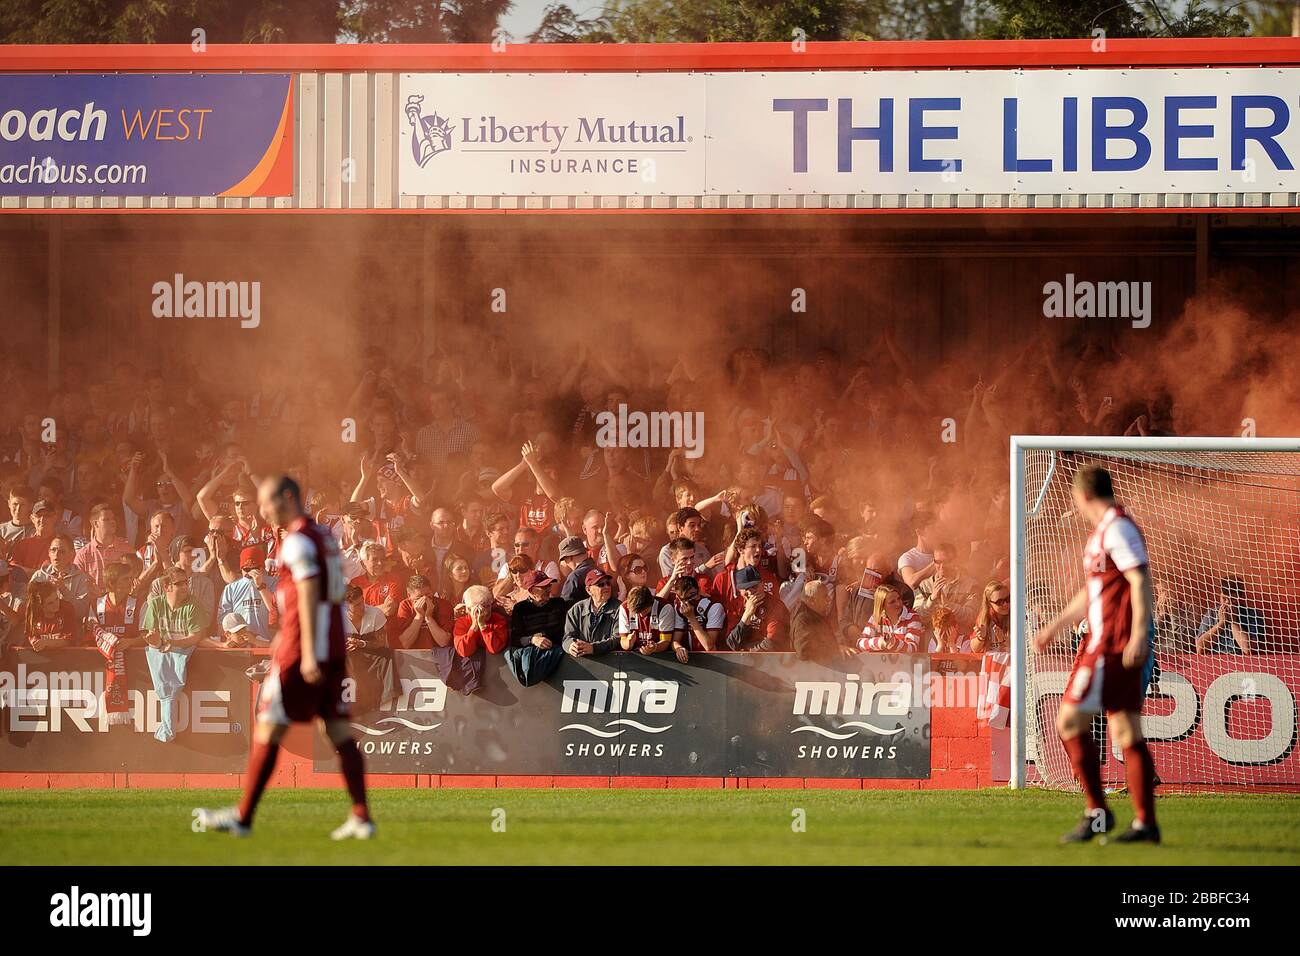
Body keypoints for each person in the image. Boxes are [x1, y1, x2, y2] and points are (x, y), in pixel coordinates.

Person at [197, 475, 373, 841]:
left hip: (303, 648)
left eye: (266, 502)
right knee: (338, 730)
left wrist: (307, 651)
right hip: (333, 644)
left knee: (268, 726)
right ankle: (361, 816)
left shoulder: (298, 542)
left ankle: (243, 817)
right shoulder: (324, 536)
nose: (262, 511)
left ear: (288, 498)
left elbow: (308, 591)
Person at [1032, 464, 1159, 845]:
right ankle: (1144, 825)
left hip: (1110, 644)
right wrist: (1055, 625)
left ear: (1082, 495)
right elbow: (1092, 593)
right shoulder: (1103, 533)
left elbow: (1140, 579)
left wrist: (1138, 634)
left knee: (1069, 721)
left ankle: (1097, 813)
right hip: (1106, 642)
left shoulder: (1117, 528)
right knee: (1124, 730)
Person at [139, 568, 209, 742]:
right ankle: (167, 727)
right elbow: (149, 636)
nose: (186, 586)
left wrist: (171, 644)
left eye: (187, 582)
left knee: (170, 690)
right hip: (162, 657)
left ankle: (168, 727)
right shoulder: (155, 604)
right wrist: (155, 642)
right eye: (180, 583)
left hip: (186, 659)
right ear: (166, 586)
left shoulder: (194, 605)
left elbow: (196, 637)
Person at [505, 569, 569, 685]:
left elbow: (564, 631)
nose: (548, 589)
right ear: (531, 590)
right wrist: (532, 639)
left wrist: (542, 635)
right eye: (543, 587)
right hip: (534, 660)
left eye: (549, 585)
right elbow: (515, 639)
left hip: (559, 657)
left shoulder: (559, 603)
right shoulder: (520, 609)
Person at [216, 546, 277, 644]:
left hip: (268, 643)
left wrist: (260, 585)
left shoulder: (274, 583)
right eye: (246, 569)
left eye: (255, 568)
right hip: (240, 645)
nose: (250, 573)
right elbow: (222, 622)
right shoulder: (231, 588)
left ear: (262, 568)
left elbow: (275, 609)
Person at [1194, 578, 1263, 655]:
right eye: (1224, 598)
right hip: (1216, 661)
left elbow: (1248, 649)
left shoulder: (1251, 615)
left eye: (1232, 599)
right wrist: (1221, 623)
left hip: (1242, 662)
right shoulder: (1212, 613)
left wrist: (1233, 622)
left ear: (1240, 597)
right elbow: (1200, 648)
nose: (1227, 602)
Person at [562, 569, 620, 658]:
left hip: (610, 664)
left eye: (608, 583)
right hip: (582, 666)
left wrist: (593, 648)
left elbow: (618, 639)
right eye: (601, 584)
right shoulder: (576, 609)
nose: (606, 587)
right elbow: (567, 638)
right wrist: (570, 646)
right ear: (588, 590)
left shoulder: (619, 608)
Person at [619, 585, 684, 661]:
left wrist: (654, 647)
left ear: (652, 602)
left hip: (661, 658)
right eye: (637, 613)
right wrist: (628, 644)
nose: (641, 615)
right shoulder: (624, 608)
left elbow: (666, 642)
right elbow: (623, 642)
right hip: (634, 658)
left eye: (645, 611)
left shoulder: (664, 607)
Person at [791, 580, 849, 663]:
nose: (829, 599)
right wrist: (835, 649)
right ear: (812, 600)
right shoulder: (803, 621)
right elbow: (804, 651)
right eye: (825, 596)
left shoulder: (818, 618)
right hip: (808, 674)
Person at [856, 584, 923, 653]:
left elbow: (912, 648)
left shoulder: (912, 617)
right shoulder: (876, 617)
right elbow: (860, 643)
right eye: (892, 602)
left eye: (899, 598)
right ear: (882, 606)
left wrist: (893, 643)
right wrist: (880, 643)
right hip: (881, 662)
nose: (898, 604)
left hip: (905, 662)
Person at [670, 575, 726, 652]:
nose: (688, 601)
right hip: (691, 655)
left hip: (716, 657)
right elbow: (675, 641)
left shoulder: (713, 606)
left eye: (692, 595)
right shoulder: (679, 607)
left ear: (699, 590)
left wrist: (691, 618)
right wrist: (679, 649)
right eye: (684, 599)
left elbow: (709, 646)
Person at [23, 579, 83, 649]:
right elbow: (32, 637)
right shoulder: (34, 613)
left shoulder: (66, 608)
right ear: (41, 606)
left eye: (56, 599)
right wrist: (36, 642)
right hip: (43, 657)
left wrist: (46, 642)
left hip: (66, 655)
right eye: (50, 603)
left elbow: (68, 641)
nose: (56, 604)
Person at [968, 582, 1012, 653]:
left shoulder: (1017, 615)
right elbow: (974, 649)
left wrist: (1003, 640)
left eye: (1008, 599)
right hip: (993, 662)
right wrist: (981, 638)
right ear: (989, 604)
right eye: (1000, 602)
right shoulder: (985, 618)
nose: (1005, 604)